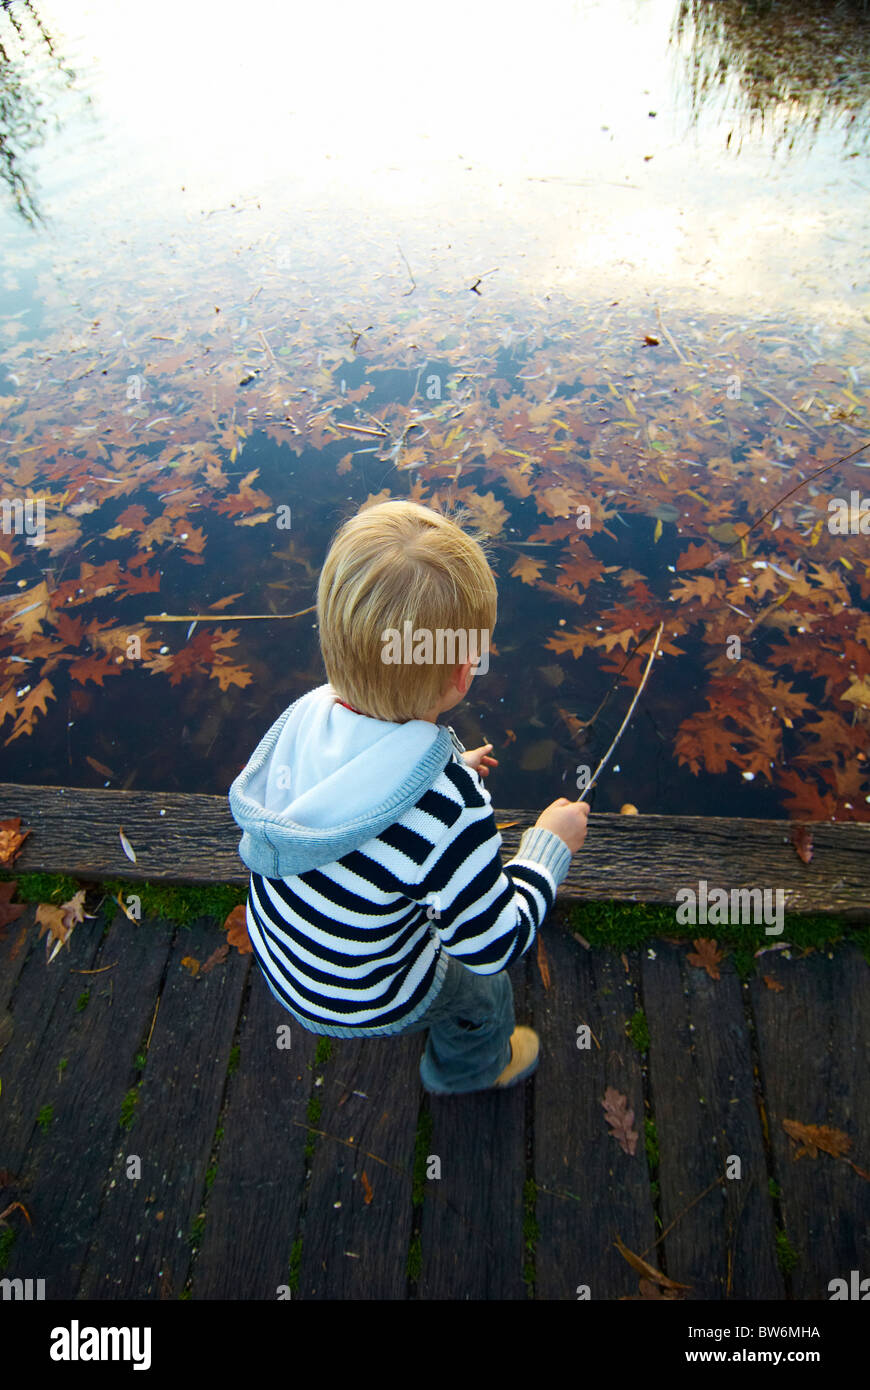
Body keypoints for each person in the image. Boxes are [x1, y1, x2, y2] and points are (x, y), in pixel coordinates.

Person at [228, 498, 589, 1095]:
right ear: (461, 674)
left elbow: (363, 786)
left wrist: (444, 767)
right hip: (364, 996)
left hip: (284, 958)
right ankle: (471, 1068)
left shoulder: (300, 719)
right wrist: (548, 849)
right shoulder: (452, 810)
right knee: (484, 991)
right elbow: (495, 940)